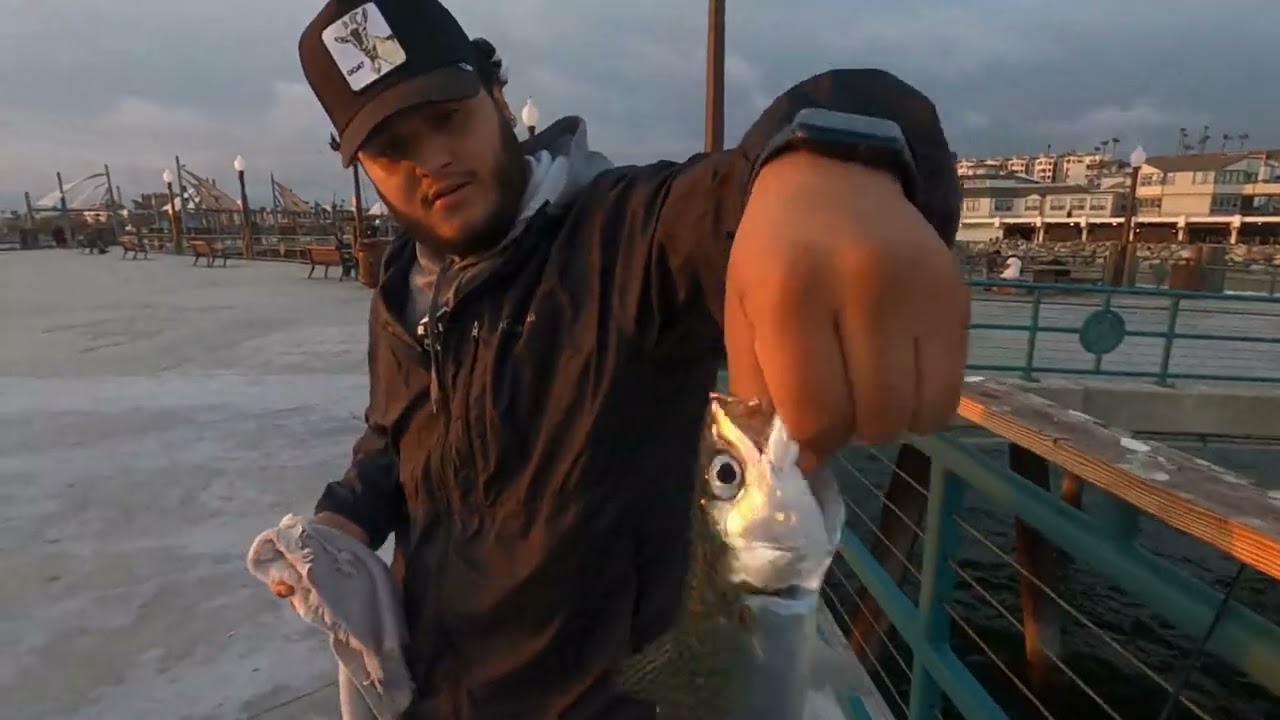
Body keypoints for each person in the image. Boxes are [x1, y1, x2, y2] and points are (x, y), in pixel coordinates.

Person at [291, 1, 967, 717]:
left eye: (449, 117)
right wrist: (344, 519)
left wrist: (827, 160)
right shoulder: (401, 296)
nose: (432, 160)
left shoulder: (628, 241)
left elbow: (732, 196)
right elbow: (393, 438)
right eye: (393, 147)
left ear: (497, 93)